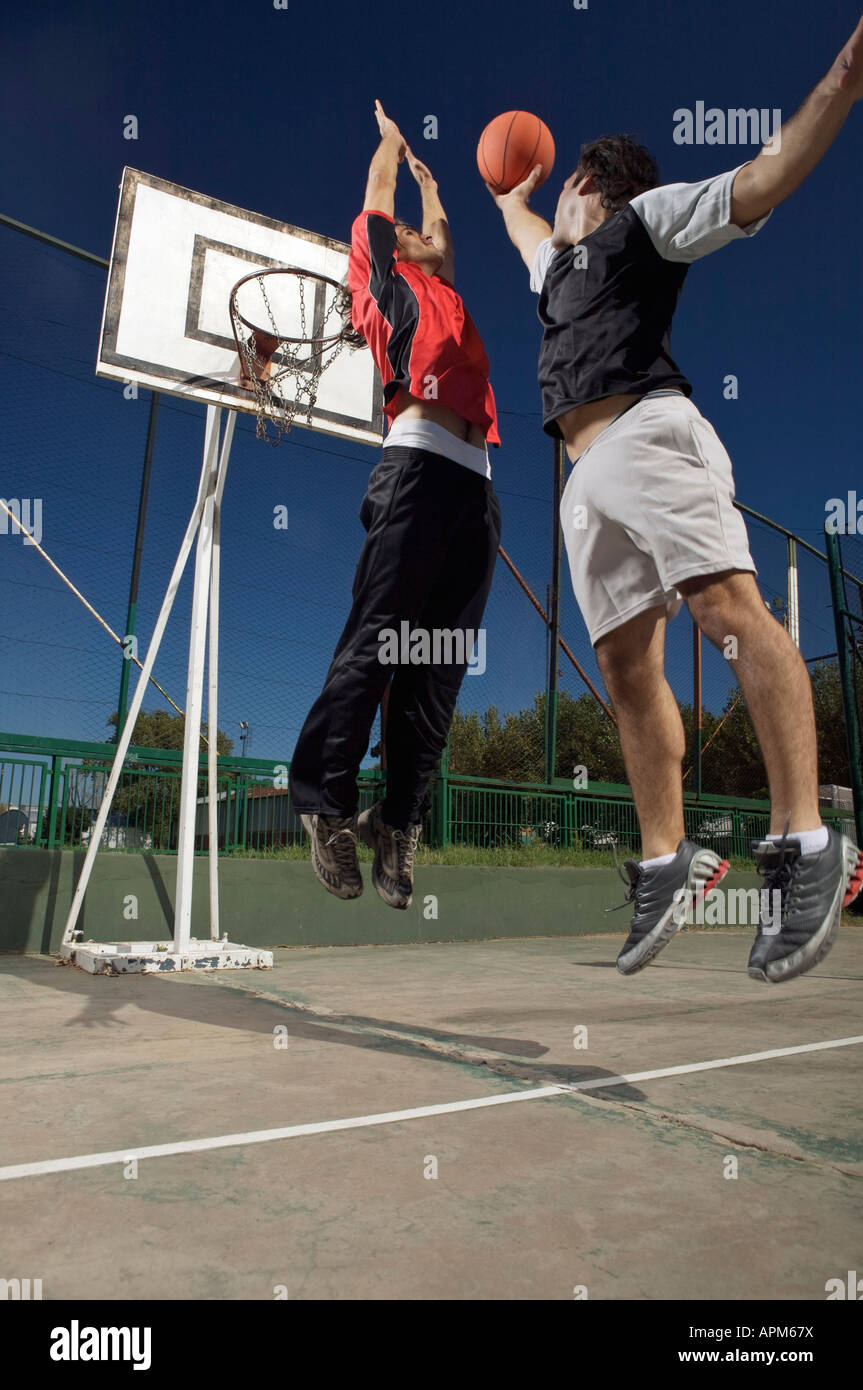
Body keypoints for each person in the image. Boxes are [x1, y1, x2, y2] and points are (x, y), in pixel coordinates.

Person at [488, 18, 863, 981]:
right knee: (620, 667)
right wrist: (510, 196)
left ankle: (807, 840)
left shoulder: (645, 220)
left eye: (568, 180)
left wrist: (842, 79)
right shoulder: (555, 269)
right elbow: (522, 230)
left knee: (723, 611)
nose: (558, 195)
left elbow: (759, 180)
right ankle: (668, 858)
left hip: (651, 434)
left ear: (594, 187)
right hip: (581, 477)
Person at [289, 101, 501, 910]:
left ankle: (398, 822)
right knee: (377, 646)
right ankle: (325, 803)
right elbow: (378, 206)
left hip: (473, 488)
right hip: (411, 466)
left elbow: (443, 238)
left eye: (423, 234)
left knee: (436, 669)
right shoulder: (379, 274)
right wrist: (390, 145)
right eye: (410, 231)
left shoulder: (441, 285)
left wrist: (433, 182)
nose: (421, 236)